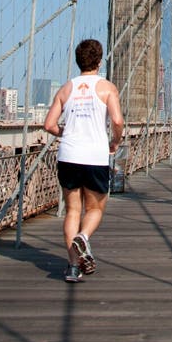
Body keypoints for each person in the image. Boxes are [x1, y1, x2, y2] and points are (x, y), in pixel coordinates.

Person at [44, 38, 124, 283]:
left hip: (68, 155)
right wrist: (115, 142)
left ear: (79, 62)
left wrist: (64, 134)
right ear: (99, 62)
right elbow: (118, 122)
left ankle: (72, 267)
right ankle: (84, 237)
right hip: (95, 156)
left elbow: (48, 124)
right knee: (95, 209)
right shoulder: (107, 88)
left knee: (72, 211)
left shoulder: (66, 89)